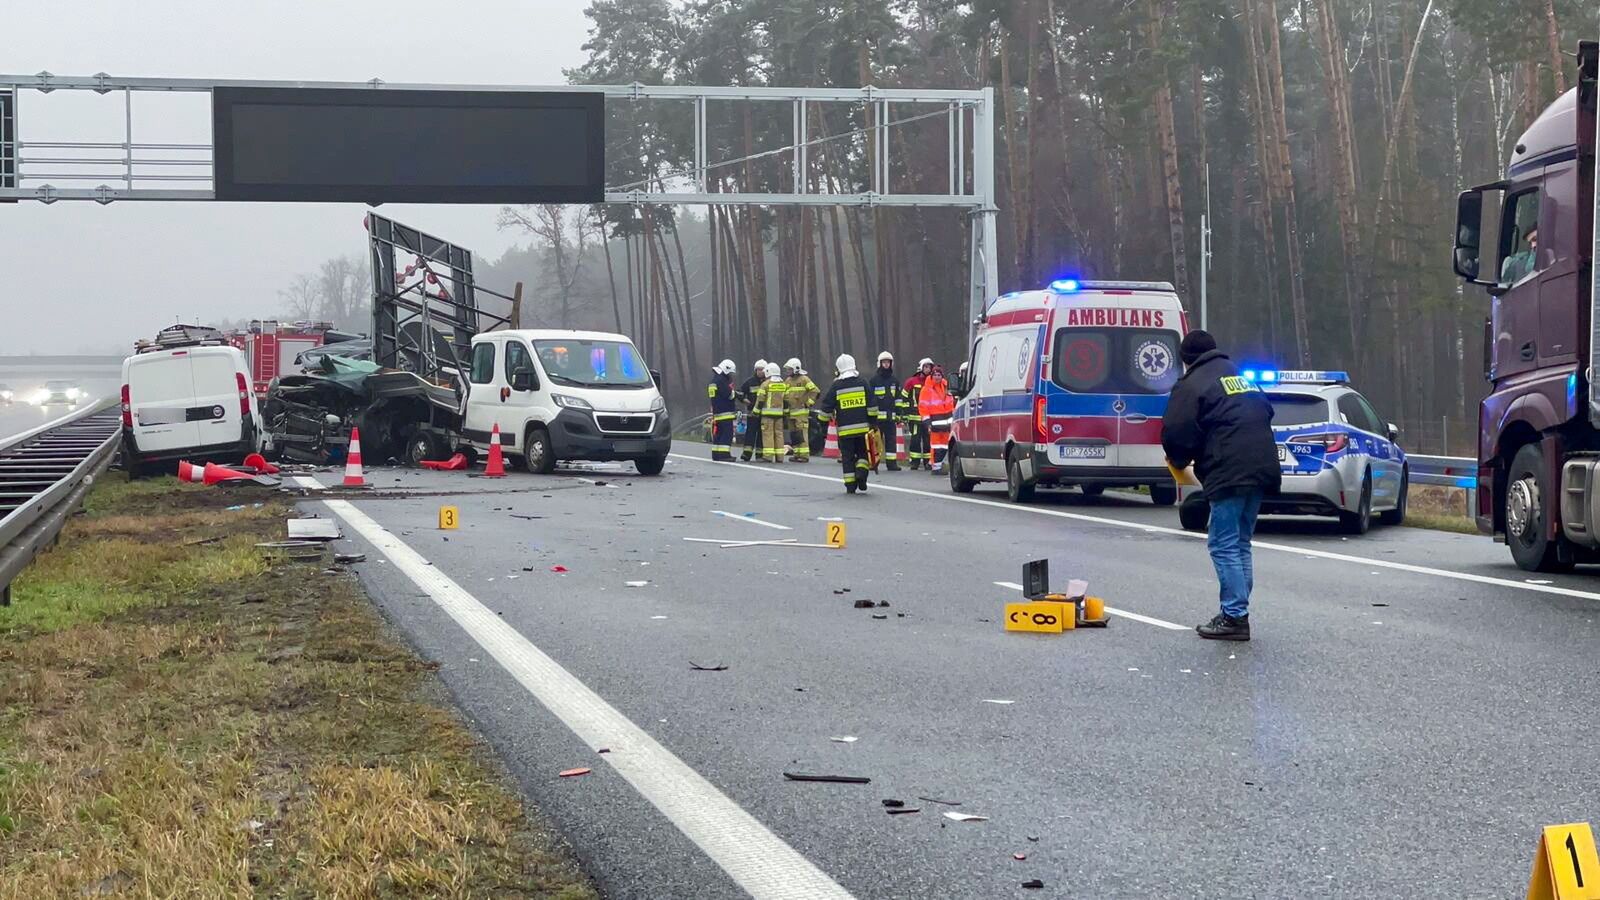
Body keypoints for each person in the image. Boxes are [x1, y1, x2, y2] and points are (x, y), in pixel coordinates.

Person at [1160, 330, 1281, 642]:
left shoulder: (1193, 383)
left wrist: (1179, 458)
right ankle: (1236, 610)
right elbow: (1266, 412)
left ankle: (1235, 616)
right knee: (1240, 542)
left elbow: (1177, 428)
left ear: (1186, 360)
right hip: (1262, 467)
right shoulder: (1240, 377)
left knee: (1223, 544)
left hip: (1228, 469)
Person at [815, 354, 873, 493]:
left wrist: (822, 425)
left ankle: (850, 485)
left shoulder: (836, 385)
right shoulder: (863, 382)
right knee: (863, 454)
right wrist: (873, 422)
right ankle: (861, 474)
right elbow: (872, 405)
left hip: (845, 431)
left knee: (847, 458)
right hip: (863, 430)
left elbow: (826, 407)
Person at [918, 365, 955, 474]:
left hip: (947, 423)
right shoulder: (926, 390)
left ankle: (935, 464)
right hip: (934, 423)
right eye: (935, 375)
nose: (937, 377)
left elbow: (951, 404)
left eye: (939, 375)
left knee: (945, 446)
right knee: (936, 446)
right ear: (931, 376)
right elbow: (923, 407)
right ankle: (935, 467)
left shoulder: (946, 387)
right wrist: (927, 422)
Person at [868, 351, 902, 472]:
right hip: (877, 419)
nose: (886, 364)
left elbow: (898, 398)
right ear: (880, 363)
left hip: (891, 418)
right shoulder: (874, 381)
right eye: (884, 362)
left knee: (891, 441)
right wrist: (870, 417)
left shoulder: (894, 381)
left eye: (888, 362)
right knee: (876, 442)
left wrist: (899, 413)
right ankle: (874, 463)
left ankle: (891, 464)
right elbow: (870, 399)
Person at [782, 358, 819, 462]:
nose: (788, 371)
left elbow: (815, 391)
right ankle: (797, 453)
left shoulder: (804, 379)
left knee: (802, 434)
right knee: (794, 434)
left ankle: (804, 455)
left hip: (801, 413)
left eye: (790, 369)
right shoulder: (788, 381)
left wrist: (808, 403)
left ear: (796, 369)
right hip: (790, 413)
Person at [902, 358, 935, 469]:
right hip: (914, 417)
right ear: (921, 368)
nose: (928, 369)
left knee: (927, 440)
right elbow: (904, 397)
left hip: (928, 417)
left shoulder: (933, 382)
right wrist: (905, 413)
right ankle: (914, 461)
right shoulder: (911, 382)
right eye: (925, 367)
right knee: (915, 439)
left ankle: (927, 462)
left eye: (929, 367)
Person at [756, 362, 788, 463]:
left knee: (768, 434)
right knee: (779, 435)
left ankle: (768, 456)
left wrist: (755, 411)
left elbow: (760, 400)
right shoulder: (783, 384)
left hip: (767, 415)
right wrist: (785, 413)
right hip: (779, 415)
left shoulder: (765, 384)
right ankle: (780, 457)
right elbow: (786, 400)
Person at [707, 359, 738, 461]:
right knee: (727, 434)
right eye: (730, 373)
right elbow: (728, 394)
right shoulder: (721, 380)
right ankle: (724, 455)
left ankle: (716, 454)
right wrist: (737, 395)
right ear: (726, 369)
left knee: (718, 434)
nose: (730, 375)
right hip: (725, 412)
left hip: (717, 412)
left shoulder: (714, 380)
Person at [737, 358, 768, 461]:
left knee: (761, 434)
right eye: (758, 369)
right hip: (752, 413)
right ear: (755, 370)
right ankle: (747, 453)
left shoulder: (769, 382)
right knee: (750, 433)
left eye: (762, 369)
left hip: (765, 413)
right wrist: (743, 399)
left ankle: (760, 454)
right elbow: (739, 392)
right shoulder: (750, 382)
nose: (760, 372)